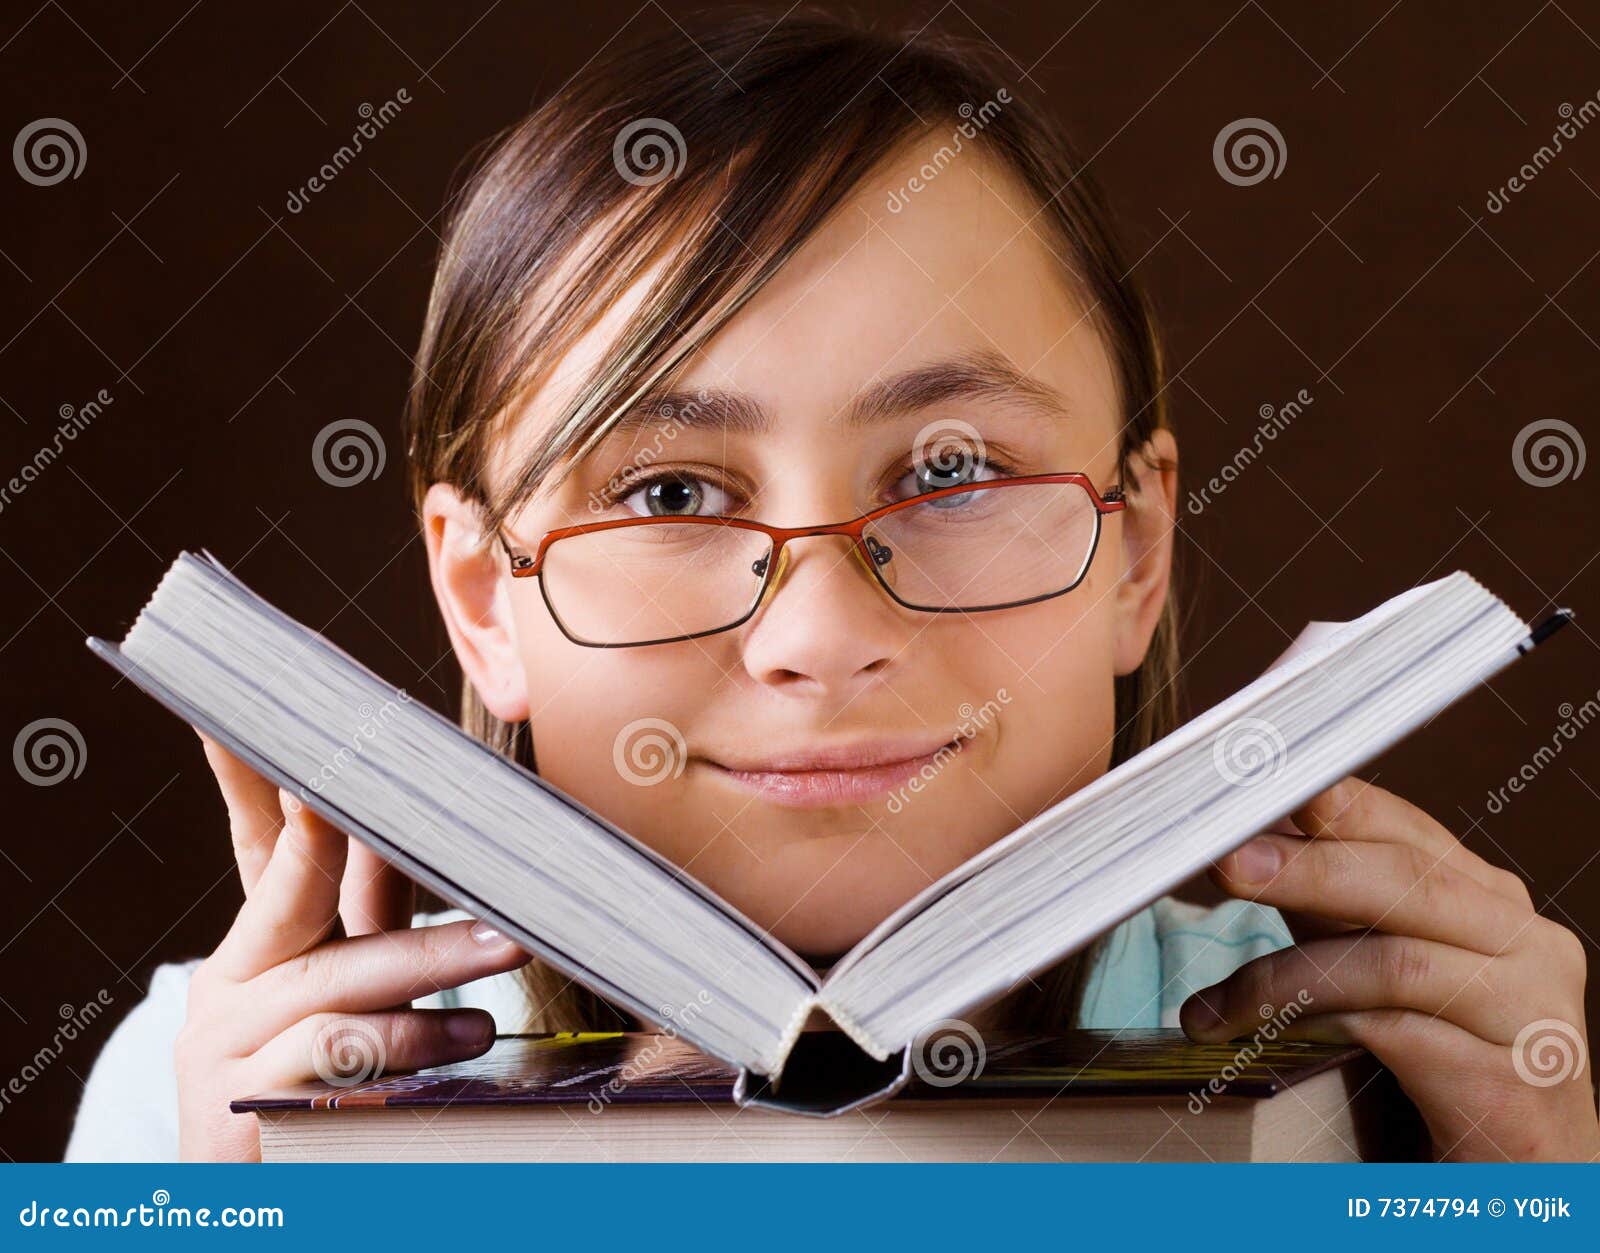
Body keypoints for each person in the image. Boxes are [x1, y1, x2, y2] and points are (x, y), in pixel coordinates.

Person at [67, 10, 1595, 1162]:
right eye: (667, 492)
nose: (818, 637)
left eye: (947, 474)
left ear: (1136, 545)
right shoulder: (205, 1096)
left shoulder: (1368, 1071)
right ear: (486, 596)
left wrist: (1543, 1186)